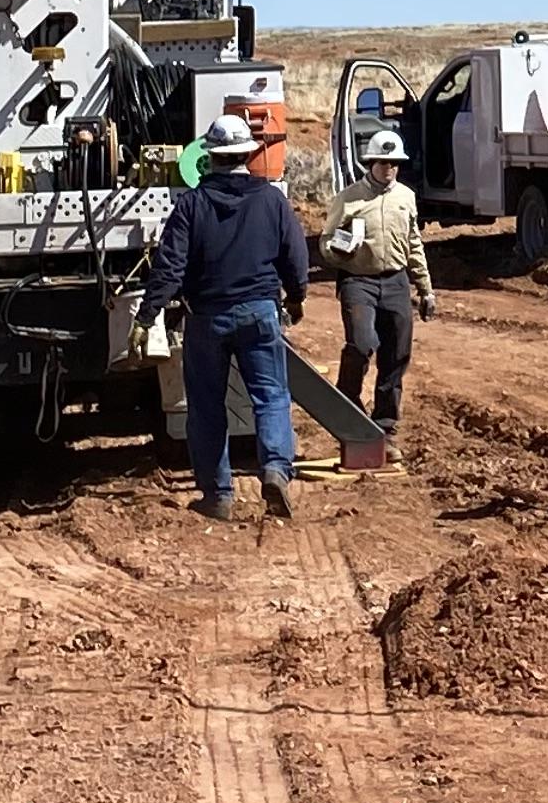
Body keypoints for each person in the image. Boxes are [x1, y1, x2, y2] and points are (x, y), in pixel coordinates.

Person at [144, 110, 311, 521]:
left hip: (208, 319)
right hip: (260, 313)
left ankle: (217, 495)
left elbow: (170, 266)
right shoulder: (272, 200)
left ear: (210, 156)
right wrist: (297, 297)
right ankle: (275, 469)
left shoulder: (191, 205)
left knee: (206, 406)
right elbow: (296, 255)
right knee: (271, 397)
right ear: (247, 155)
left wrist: (147, 315)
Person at [320, 122, 431, 439]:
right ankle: (348, 403)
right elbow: (326, 242)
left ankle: (385, 422)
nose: (389, 168)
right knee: (363, 341)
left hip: (396, 282)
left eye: (395, 163)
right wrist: (338, 251)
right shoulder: (349, 198)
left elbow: (414, 243)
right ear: (371, 163)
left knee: (397, 353)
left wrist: (426, 289)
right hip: (358, 281)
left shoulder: (406, 197)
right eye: (383, 163)